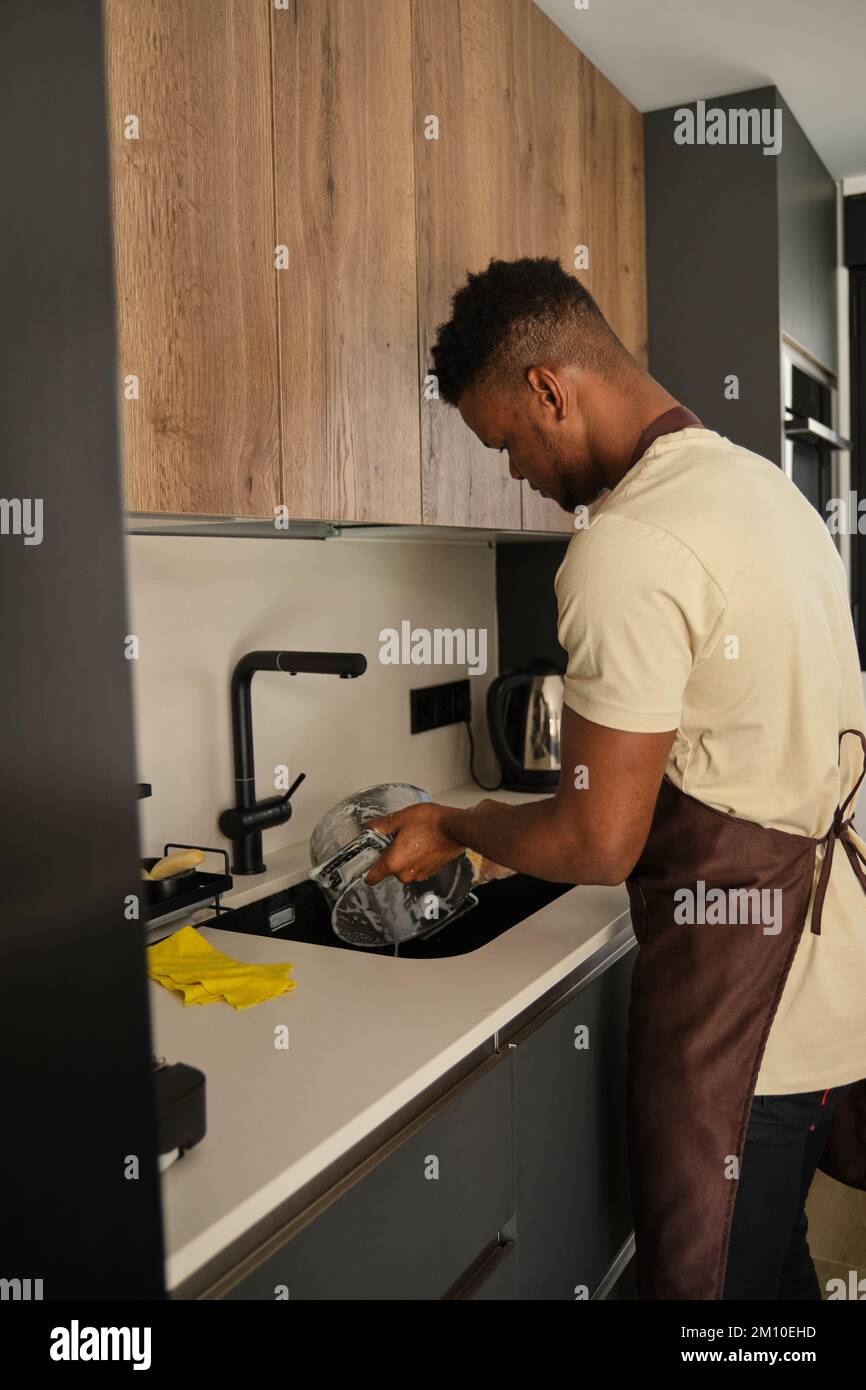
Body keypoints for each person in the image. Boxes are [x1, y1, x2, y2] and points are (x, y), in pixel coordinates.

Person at [365, 257, 866, 1300]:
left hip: (745, 1018)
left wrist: (458, 824)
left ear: (549, 388)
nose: (514, 472)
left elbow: (598, 842)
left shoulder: (624, 547)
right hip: (831, 980)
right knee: (769, 1269)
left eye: (506, 440)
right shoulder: (758, 488)